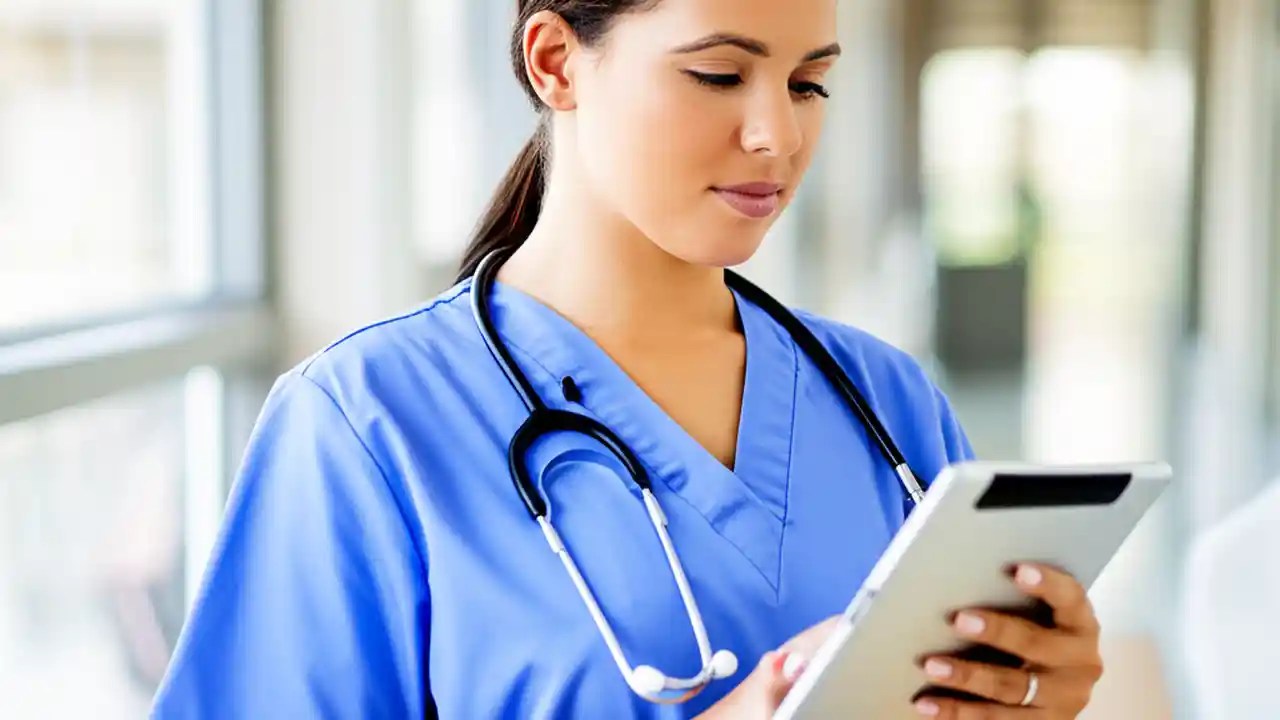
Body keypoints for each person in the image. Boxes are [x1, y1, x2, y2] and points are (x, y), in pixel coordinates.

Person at [152, 1, 1105, 717]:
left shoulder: (886, 401)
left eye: (809, 82)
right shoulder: (368, 422)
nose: (778, 134)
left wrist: (1029, 694)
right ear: (556, 61)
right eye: (721, 76)